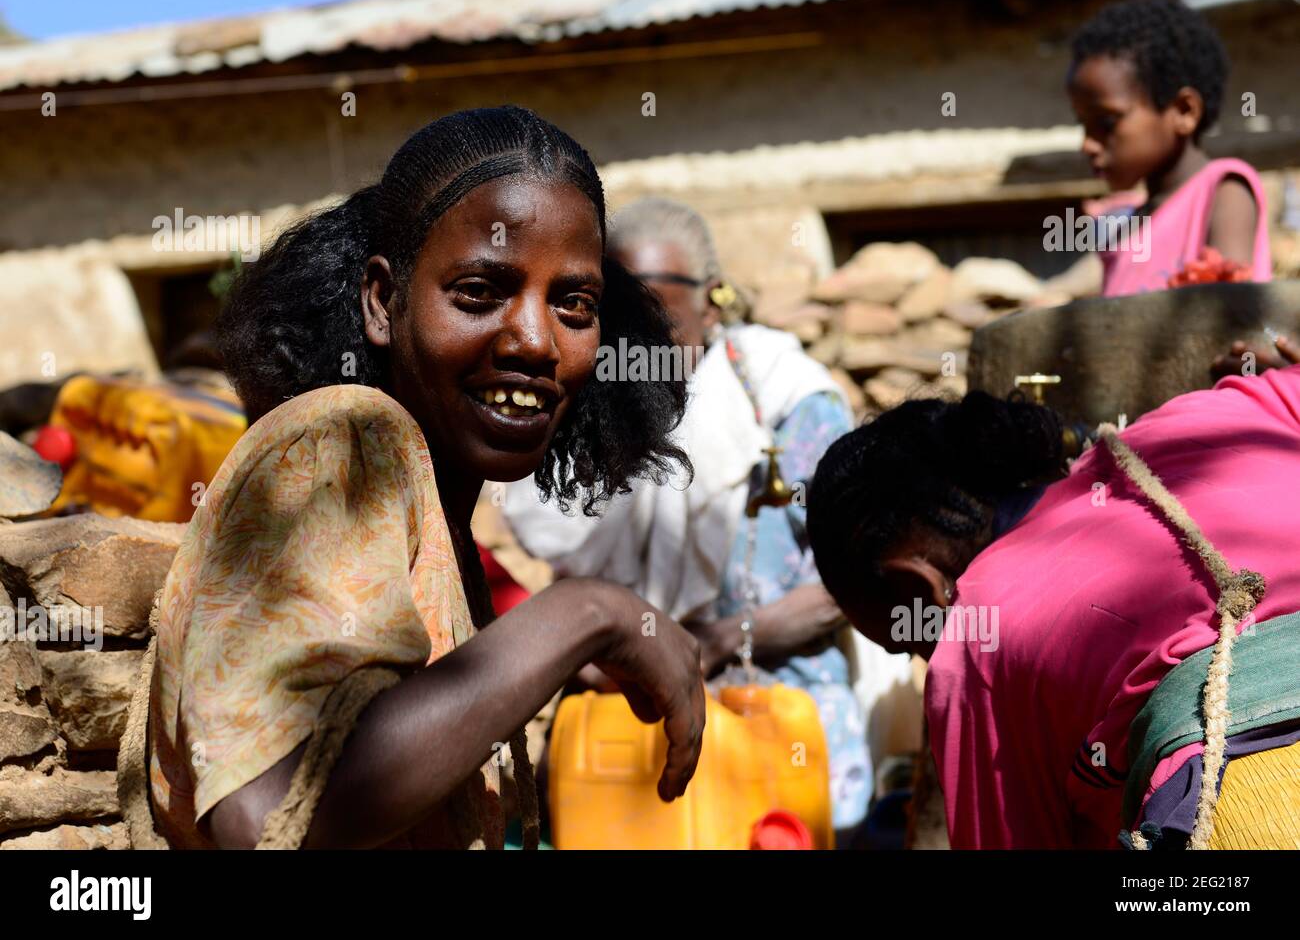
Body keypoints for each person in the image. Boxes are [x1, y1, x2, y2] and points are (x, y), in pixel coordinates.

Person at [140, 107, 706, 849]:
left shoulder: (440, 511)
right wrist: (586, 615)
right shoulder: (339, 437)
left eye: (574, 304)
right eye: (479, 291)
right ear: (383, 301)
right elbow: (267, 817)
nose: (536, 340)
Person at [806, 354, 1300, 849]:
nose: (925, 664)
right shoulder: (1232, 408)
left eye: (907, 645)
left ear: (918, 590)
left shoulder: (974, 639)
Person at [503, 197, 874, 839]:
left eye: (654, 302)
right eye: (608, 301)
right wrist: (608, 656)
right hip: (627, 747)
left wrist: (721, 640)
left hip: (780, 728)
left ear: (710, 299)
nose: (634, 327)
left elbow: (851, 577)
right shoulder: (586, 418)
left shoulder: (785, 401)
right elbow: (570, 591)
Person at [1066, 0, 1271, 297]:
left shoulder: (1224, 190)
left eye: (1106, 123)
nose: (1087, 145)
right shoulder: (1123, 232)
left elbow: (1230, 319)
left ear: (1183, 112)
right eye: (1083, 125)